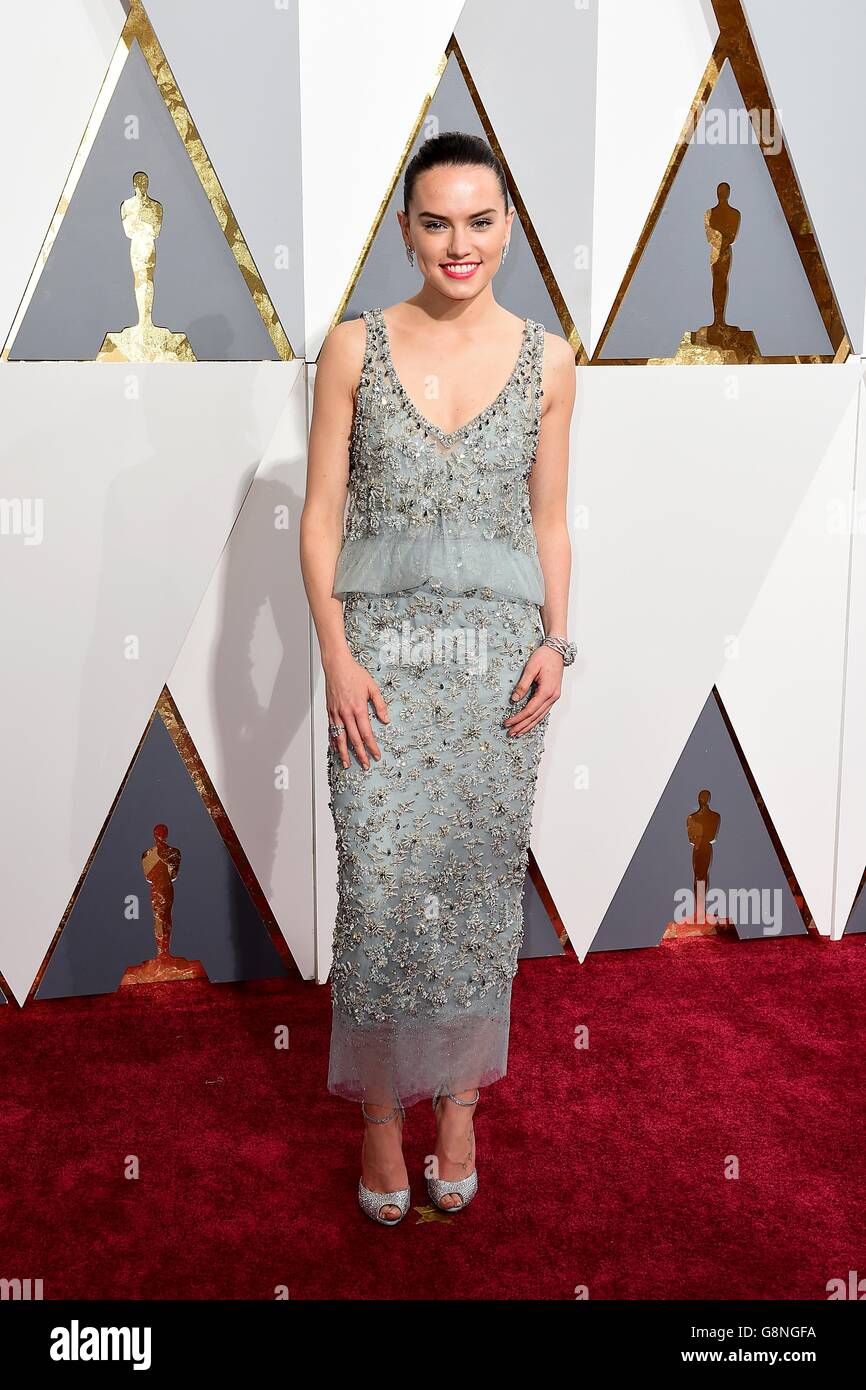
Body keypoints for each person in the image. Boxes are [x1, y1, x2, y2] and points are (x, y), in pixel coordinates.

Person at [300, 130, 576, 1226]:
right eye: (433, 222)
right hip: (376, 666)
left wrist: (559, 643)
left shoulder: (551, 361)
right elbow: (321, 518)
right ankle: (377, 1117)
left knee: (470, 896)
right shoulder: (351, 348)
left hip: (495, 673)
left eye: (478, 220)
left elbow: (548, 521)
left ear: (506, 225)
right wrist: (334, 654)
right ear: (404, 230)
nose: (457, 245)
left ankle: (457, 1109)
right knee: (375, 894)